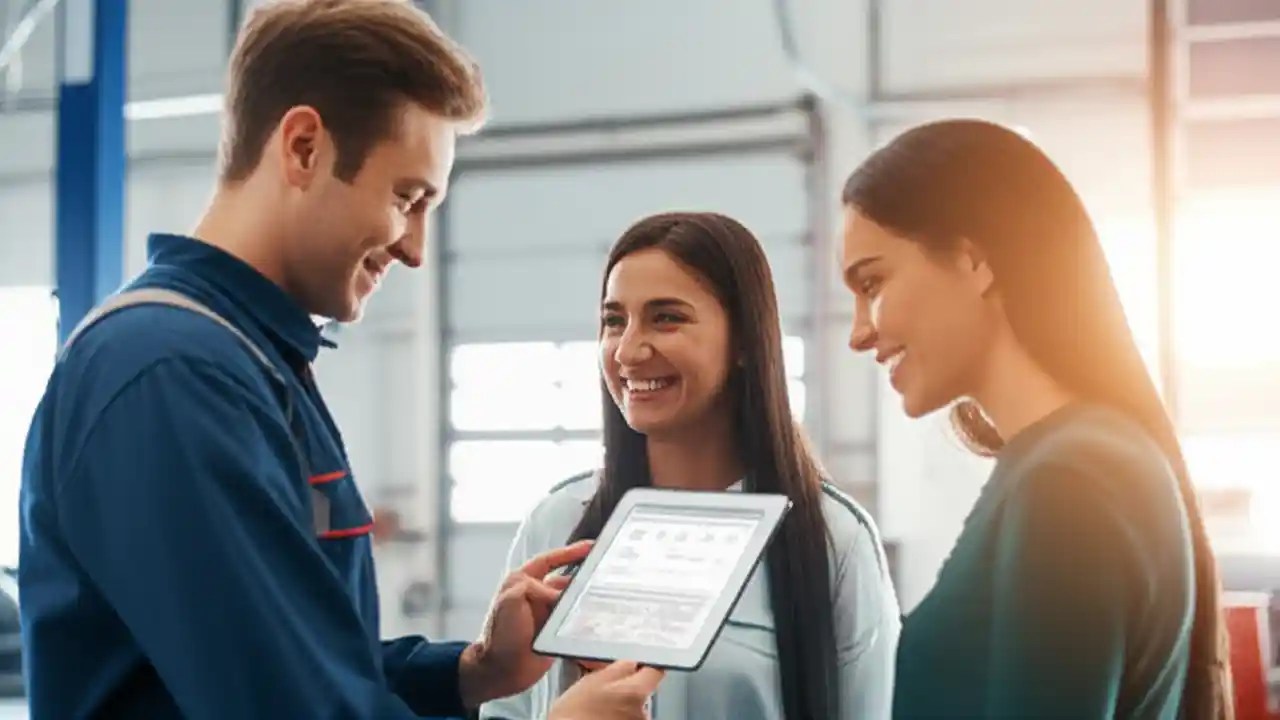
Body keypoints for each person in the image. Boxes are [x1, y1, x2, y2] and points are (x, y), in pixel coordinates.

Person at [17, 1, 661, 718]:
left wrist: (470, 672)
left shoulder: (248, 360)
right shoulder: (171, 378)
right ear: (302, 148)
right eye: (405, 198)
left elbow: (303, 657)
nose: (416, 248)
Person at [838, 119, 1232, 718]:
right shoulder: (1080, 460)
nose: (858, 331)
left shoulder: (1069, 480)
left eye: (872, 282)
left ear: (973, 260)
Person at [481, 212, 901, 720]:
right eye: (614, 321)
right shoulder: (554, 523)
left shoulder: (835, 538)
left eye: (667, 317)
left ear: (746, 341)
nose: (629, 350)